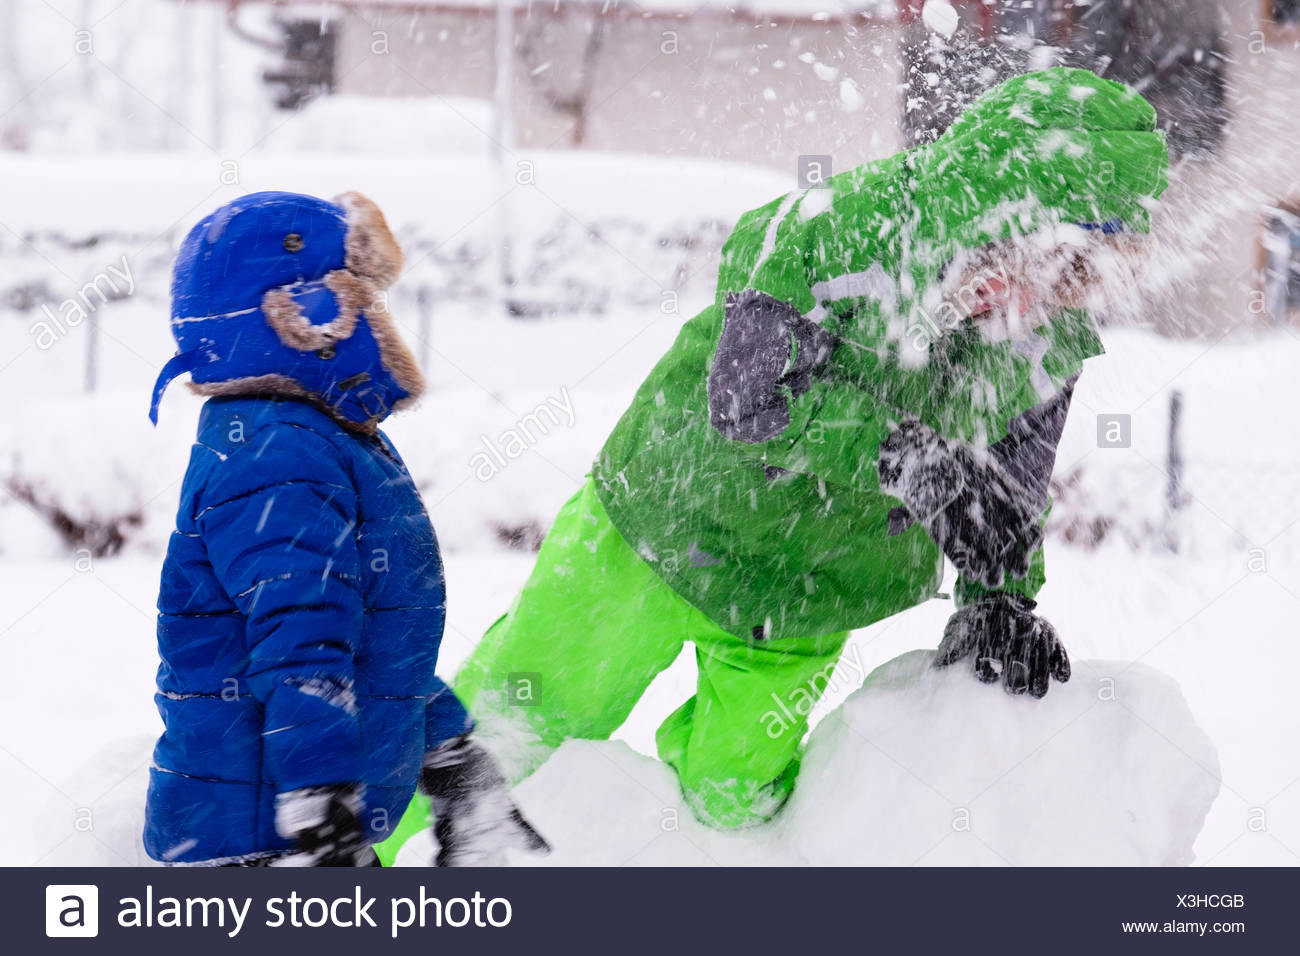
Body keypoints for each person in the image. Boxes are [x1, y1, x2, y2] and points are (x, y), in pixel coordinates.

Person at [397, 67, 1170, 841]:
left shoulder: (1046, 337)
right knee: (510, 743)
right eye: (1064, 263)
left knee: (735, 810)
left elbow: (1009, 490)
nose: (1067, 296)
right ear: (1008, 210)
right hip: (665, 530)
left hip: (810, 593)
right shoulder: (835, 231)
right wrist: (905, 454)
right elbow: (747, 397)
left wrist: (1000, 595)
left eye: (1088, 276)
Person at [143, 191, 547, 866]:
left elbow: (364, 642)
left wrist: (448, 751)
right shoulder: (276, 453)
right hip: (263, 839)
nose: (373, 322)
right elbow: (300, 639)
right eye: (355, 298)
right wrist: (319, 795)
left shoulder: (313, 439)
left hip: (286, 826)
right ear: (301, 318)